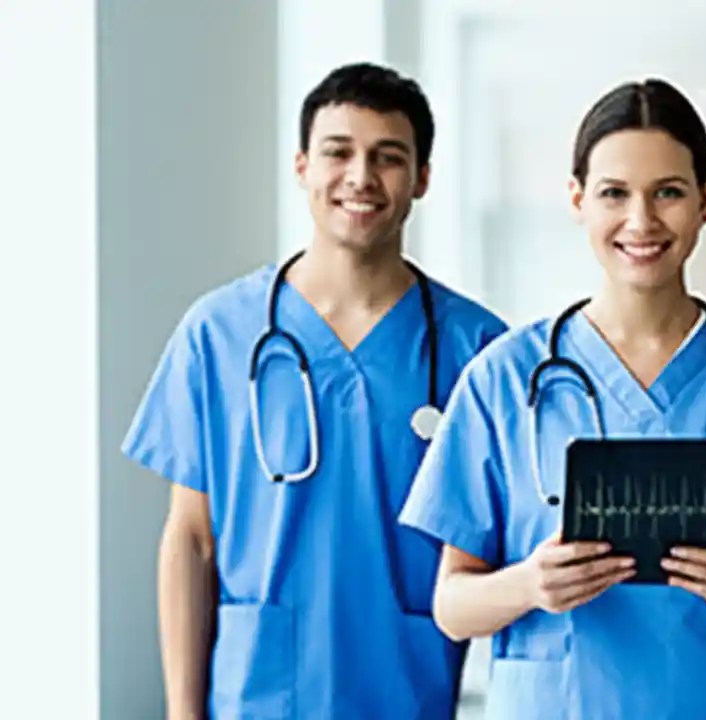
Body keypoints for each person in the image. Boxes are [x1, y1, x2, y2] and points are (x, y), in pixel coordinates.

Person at [397, 78, 706, 719]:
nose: (642, 221)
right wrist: (529, 584)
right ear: (577, 200)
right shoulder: (507, 377)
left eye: (669, 193)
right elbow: (452, 608)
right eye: (614, 194)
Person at [122, 62, 507, 719]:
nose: (361, 177)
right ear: (302, 166)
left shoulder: (479, 351)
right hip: (255, 698)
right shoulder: (219, 333)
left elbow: (500, 555)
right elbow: (191, 539)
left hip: (405, 694)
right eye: (339, 152)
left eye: (389, 157)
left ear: (422, 179)